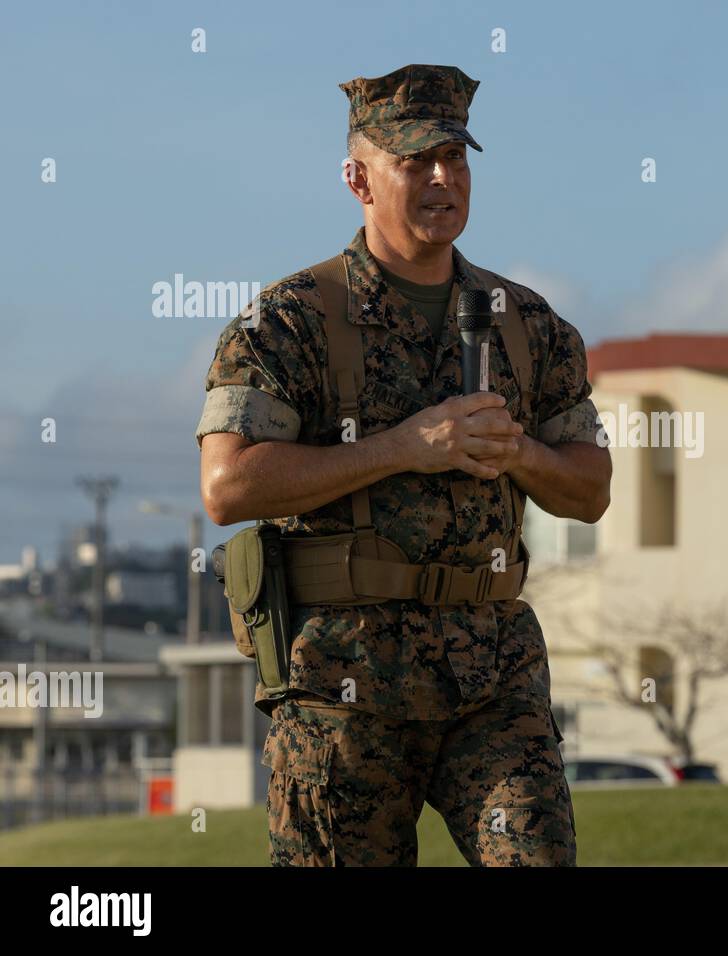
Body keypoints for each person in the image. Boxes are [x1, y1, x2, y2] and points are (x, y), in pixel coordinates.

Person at [195, 64, 611, 866]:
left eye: (455, 158)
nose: (441, 178)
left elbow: (590, 491)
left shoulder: (528, 326)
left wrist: (518, 451)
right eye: (414, 160)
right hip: (342, 690)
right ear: (358, 178)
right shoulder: (287, 322)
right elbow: (228, 486)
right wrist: (402, 447)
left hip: (493, 678)